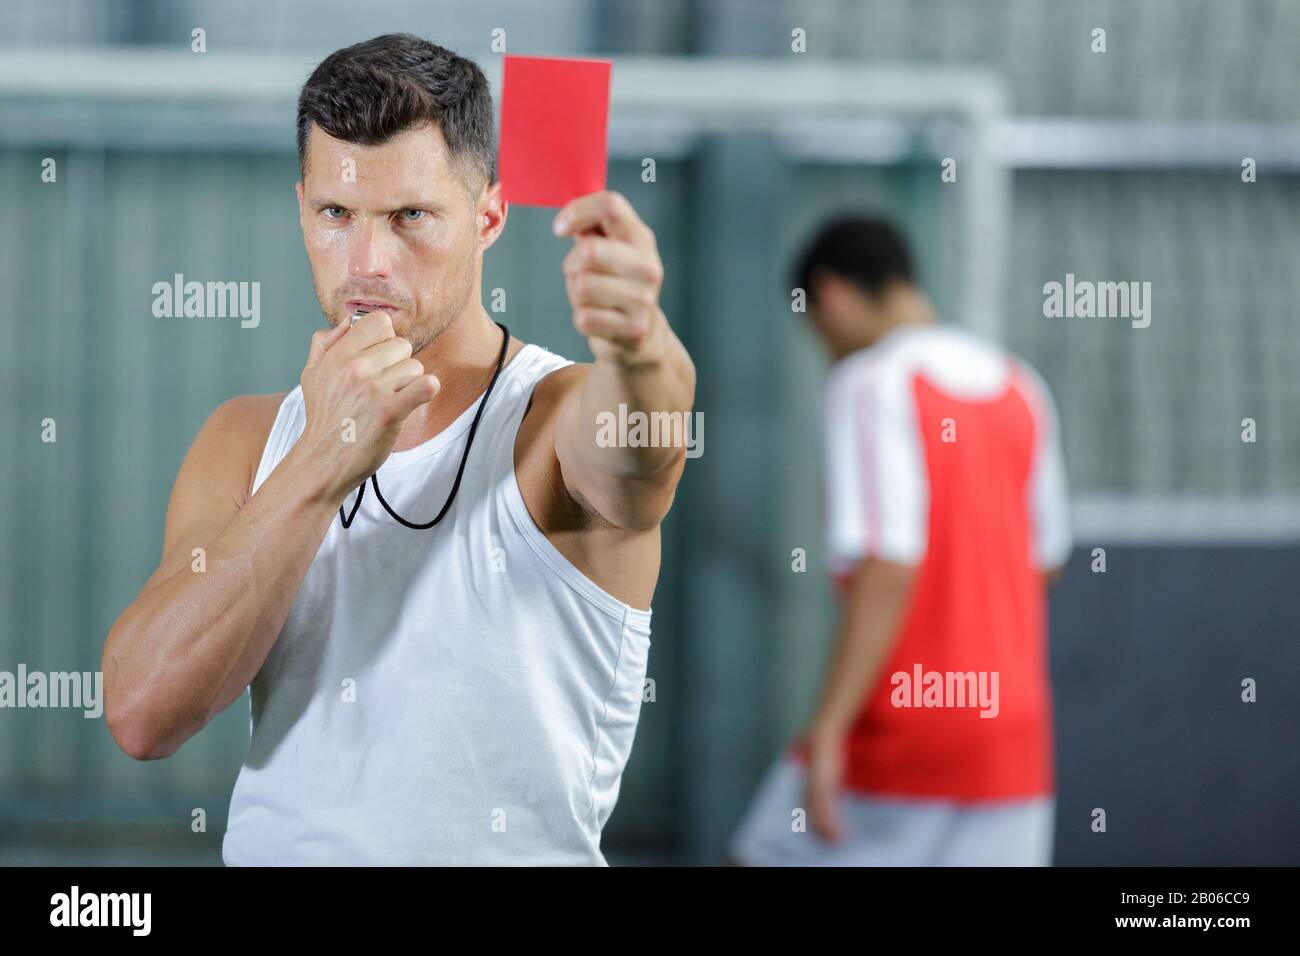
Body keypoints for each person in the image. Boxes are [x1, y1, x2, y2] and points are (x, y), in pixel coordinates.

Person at [101, 33, 695, 865]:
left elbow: (645, 451)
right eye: (336, 216)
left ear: (488, 215)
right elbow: (142, 713)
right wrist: (320, 460)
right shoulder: (243, 438)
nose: (368, 263)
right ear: (303, 208)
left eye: (410, 217)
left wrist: (641, 346)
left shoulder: (550, 420)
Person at [728, 215, 1071, 866]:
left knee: (757, 857)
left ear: (830, 294)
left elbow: (889, 562)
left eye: (816, 328)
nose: (824, 346)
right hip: (1013, 737)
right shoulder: (1022, 386)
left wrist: (828, 731)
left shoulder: (869, 382)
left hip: (904, 728)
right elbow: (1045, 563)